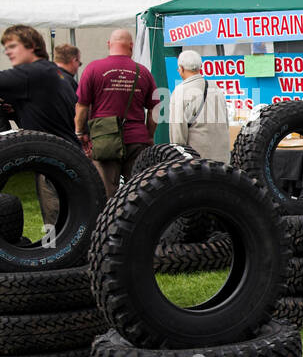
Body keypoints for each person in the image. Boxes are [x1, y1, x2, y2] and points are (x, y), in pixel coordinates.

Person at [0, 25, 77, 223]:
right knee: (70, 216)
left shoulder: (32, 73)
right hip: (68, 154)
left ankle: (61, 252)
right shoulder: (53, 72)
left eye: (12, 46)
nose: (7, 51)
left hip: (55, 158)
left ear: (32, 45)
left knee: (58, 218)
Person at [75, 28, 160, 196]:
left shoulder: (93, 69)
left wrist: (80, 132)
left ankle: (108, 221)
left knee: (106, 190)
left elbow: (82, 106)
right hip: (136, 140)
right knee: (137, 191)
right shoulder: (143, 72)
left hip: (104, 139)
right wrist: (149, 135)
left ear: (109, 44)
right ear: (131, 46)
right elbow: (154, 109)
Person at [168, 50, 230, 163]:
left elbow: (177, 136)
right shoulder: (216, 88)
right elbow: (226, 122)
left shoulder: (180, 92)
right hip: (223, 161)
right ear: (200, 67)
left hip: (199, 164)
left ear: (181, 68)